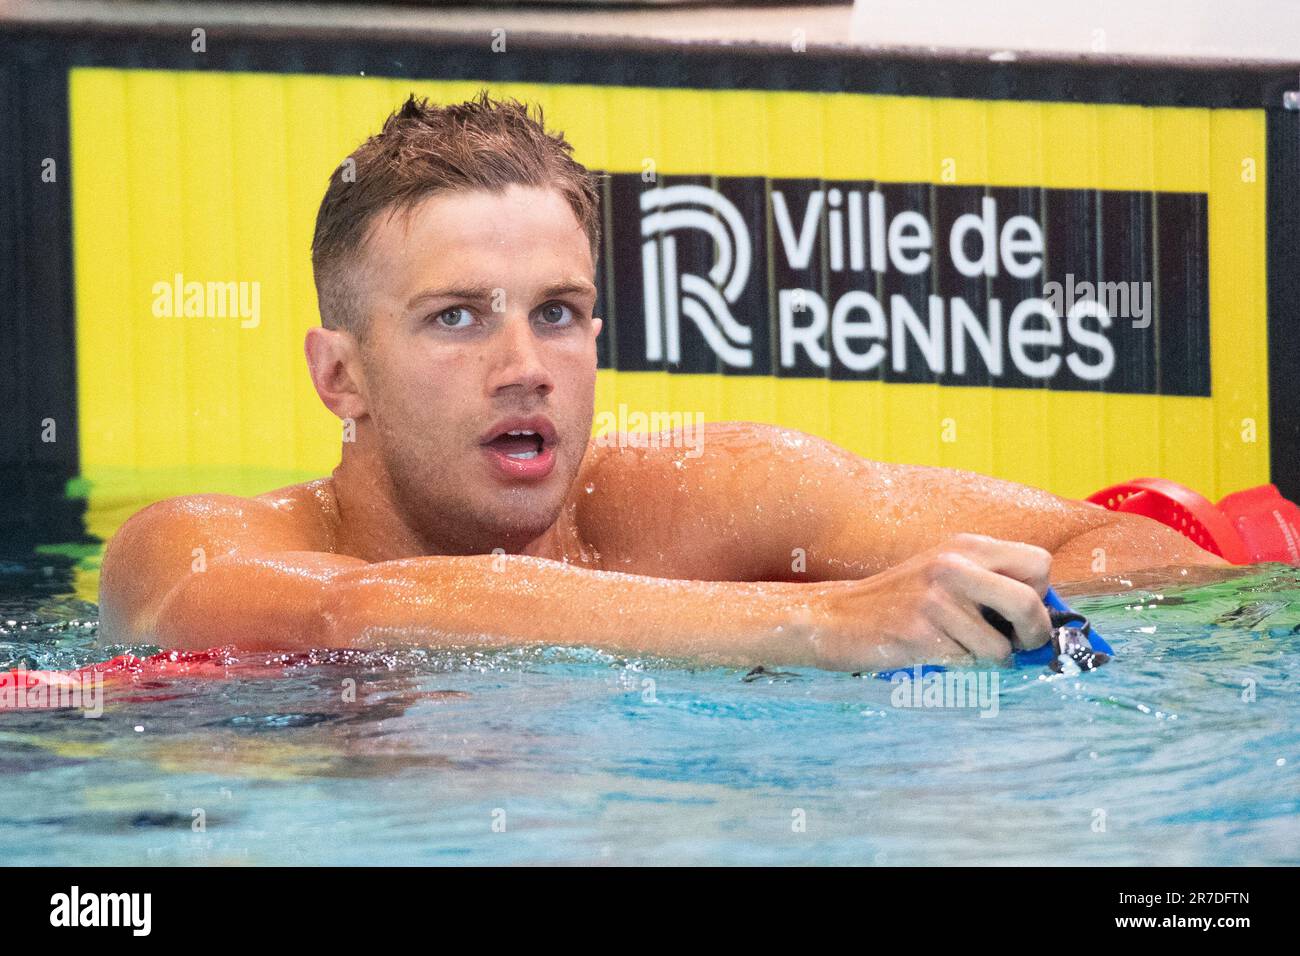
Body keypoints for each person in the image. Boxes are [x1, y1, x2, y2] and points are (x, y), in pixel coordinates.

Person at [97, 93, 1226, 673]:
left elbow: (1118, 552)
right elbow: (370, 612)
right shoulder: (190, 544)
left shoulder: (705, 495)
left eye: (558, 313)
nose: (524, 368)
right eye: (456, 319)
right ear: (340, 375)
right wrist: (822, 620)